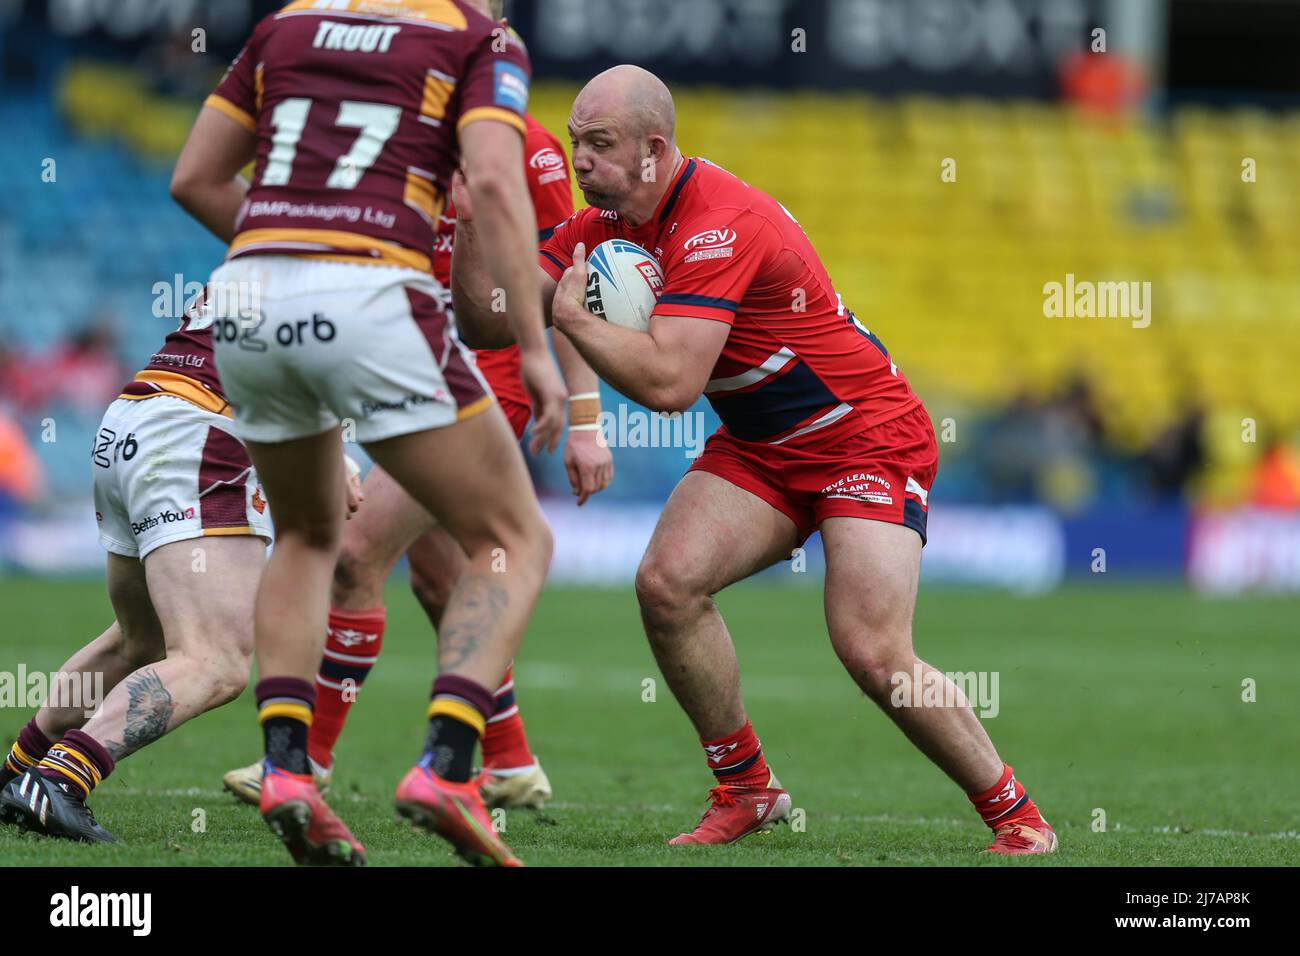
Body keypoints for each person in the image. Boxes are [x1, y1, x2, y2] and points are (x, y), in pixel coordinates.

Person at [450, 65, 1057, 854]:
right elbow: (489, 323)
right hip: (764, 442)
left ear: (653, 149)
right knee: (666, 585)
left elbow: (670, 384)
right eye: (575, 143)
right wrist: (466, 225)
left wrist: (573, 319)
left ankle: (1017, 816)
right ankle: (747, 788)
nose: (581, 162)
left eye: (600, 145)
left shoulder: (719, 222)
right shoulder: (603, 226)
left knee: (871, 649)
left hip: (861, 433)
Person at [170, 0, 566, 866]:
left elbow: (193, 179)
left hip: (248, 299)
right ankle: (449, 766)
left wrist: (288, 259)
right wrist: (537, 352)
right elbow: (494, 184)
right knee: (513, 535)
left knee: (311, 535)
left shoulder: (287, 23)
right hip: (374, 297)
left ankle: (288, 769)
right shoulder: (479, 36)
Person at [0, 295, 286, 842]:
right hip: (197, 435)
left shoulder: (271, 234)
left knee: (140, 639)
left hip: (134, 418)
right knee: (215, 660)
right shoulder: (355, 249)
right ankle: (59, 779)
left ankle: (17, 770)